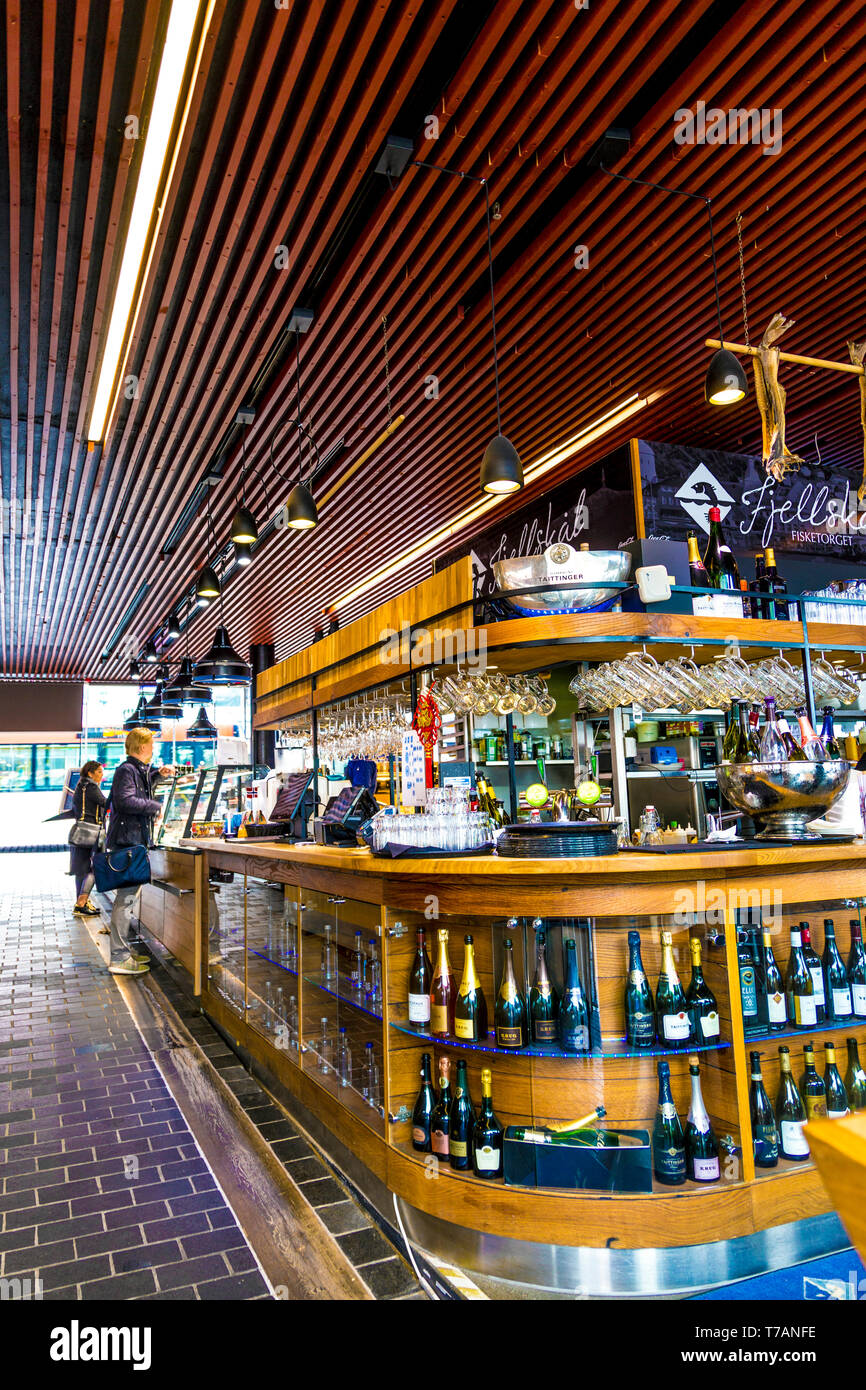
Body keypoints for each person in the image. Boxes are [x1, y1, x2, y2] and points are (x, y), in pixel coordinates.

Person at [105, 727, 173, 977]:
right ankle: (119, 957)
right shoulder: (126, 770)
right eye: (152, 745)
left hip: (133, 841)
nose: (154, 749)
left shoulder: (135, 770)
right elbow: (124, 800)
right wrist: (155, 806)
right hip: (128, 843)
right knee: (125, 900)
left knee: (128, 899)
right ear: (143, 747)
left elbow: (135, 790)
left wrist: (156, 775)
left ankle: (123, 952)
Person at [69, 760, 108, 916]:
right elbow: (105, 802)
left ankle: (82, 902)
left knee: (81, 869)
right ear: (90, 773)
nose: (101, 774)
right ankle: (81, 903)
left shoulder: (81, 786)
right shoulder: (91, 787)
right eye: (98, 771)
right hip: (90, 832)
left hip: (81, 831)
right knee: (94, 868)